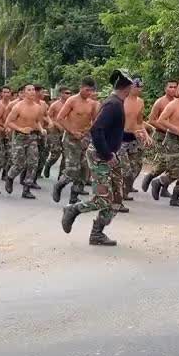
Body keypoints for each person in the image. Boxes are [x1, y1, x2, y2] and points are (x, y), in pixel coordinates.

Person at [61, 70, 134, 246]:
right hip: (100, 156)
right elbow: (96, 130)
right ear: (129, 87)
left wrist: (132, 137)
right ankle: (73, 209)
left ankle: (97, 234)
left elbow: (112, 132)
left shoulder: (117, 102)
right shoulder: (113, 104)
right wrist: (107, 155)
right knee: (103, 199)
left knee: (116, 199)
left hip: (110, 154)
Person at [150, 79, 179, 207]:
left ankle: (175, 198)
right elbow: (161, 120)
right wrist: (176, 129)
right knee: (175, 171)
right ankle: (158, 182)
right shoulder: (173, 104)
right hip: (172, 139)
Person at [52, 77, 99, 204]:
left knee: (84, 169)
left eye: (91, 91)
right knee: (73, 169)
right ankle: (59, 185)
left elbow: (95, 121)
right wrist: (72, 131)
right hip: (71, 139)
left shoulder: (92, 103)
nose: (89, 93)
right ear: (81, 87)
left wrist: (92, 132)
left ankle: (74, 196)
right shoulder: (72, 101)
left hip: (85, 138)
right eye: (86, 90)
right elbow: (60, 118)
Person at [4, 84, 47, 198]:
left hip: (32, 137)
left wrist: (41, 129)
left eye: (33, 90)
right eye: (29, 90)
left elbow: (37, 121)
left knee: (33, 163)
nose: (32, 92)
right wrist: (21, 129)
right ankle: (10, 177)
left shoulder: (38, 107)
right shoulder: (18, 106)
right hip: (19, 137)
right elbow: (8, 122)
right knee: (19, 164)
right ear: (24, 92)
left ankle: (26, 189)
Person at [141, 79, 179, 194]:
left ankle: (164, 188)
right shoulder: (160, 102)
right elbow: (151, 120)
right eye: (170, 87)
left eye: (175, 87)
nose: (173, 89)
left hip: (174, 136)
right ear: (165, 89)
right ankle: (150, 176)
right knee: (164, 161)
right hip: (161, 135)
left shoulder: (178, 102)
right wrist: (166, 128)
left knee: (173, 163)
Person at [119, 77, 153, 203]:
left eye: (140, 87)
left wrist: (146, 135)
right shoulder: (121, 100)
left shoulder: (140, 102)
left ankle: (125, 190)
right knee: (125, 169)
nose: (138, 89)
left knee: (136, 166)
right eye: (135, 86)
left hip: (134, 137)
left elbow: (139, 122)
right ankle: (118, 192)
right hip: (121, 137)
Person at [42, 86, 72, 178]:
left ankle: (61, 175)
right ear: (61, 94)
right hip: (55, 132)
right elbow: (47, 117)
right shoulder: (55, 105)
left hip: (66, 131)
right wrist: (55, 124)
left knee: (65, 154)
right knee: (56, 152)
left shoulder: (71, 104)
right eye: (66, 93)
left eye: (70, 93)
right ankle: (48, 164)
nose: (68, 95)